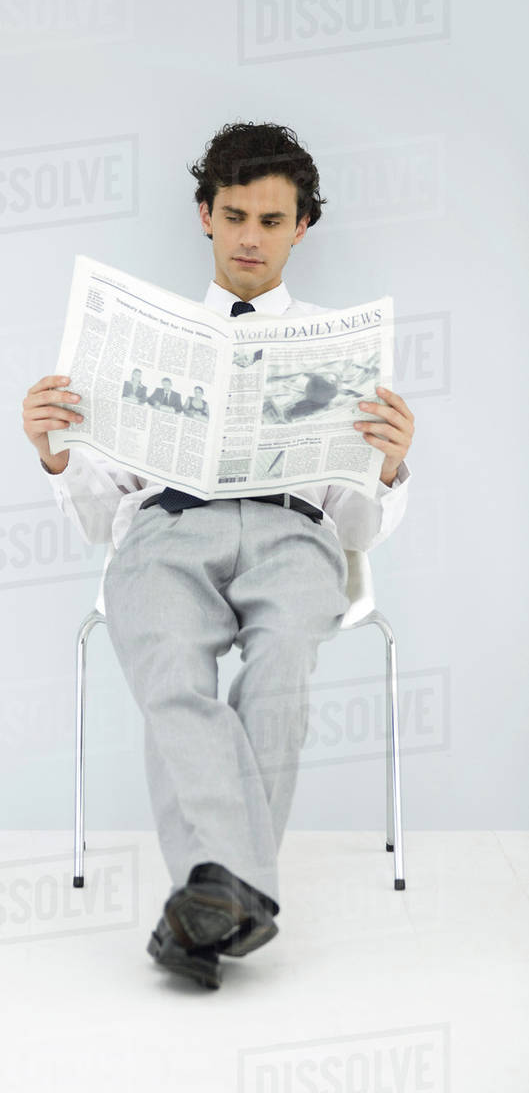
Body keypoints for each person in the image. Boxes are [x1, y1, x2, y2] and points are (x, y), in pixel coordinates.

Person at [22, 121, 415, 991]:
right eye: (233, 213)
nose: (248, 236)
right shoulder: (147, 338)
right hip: (166, 527)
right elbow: (99, 511)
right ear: (203, 213)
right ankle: (231, 900)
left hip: (292, 533)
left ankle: (210, 896)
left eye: (270, 221)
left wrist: (388, 466)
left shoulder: (338, 345)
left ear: (300, 227)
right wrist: (55, 451)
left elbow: (352, 528)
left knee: (279, 669)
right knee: (170, 672)